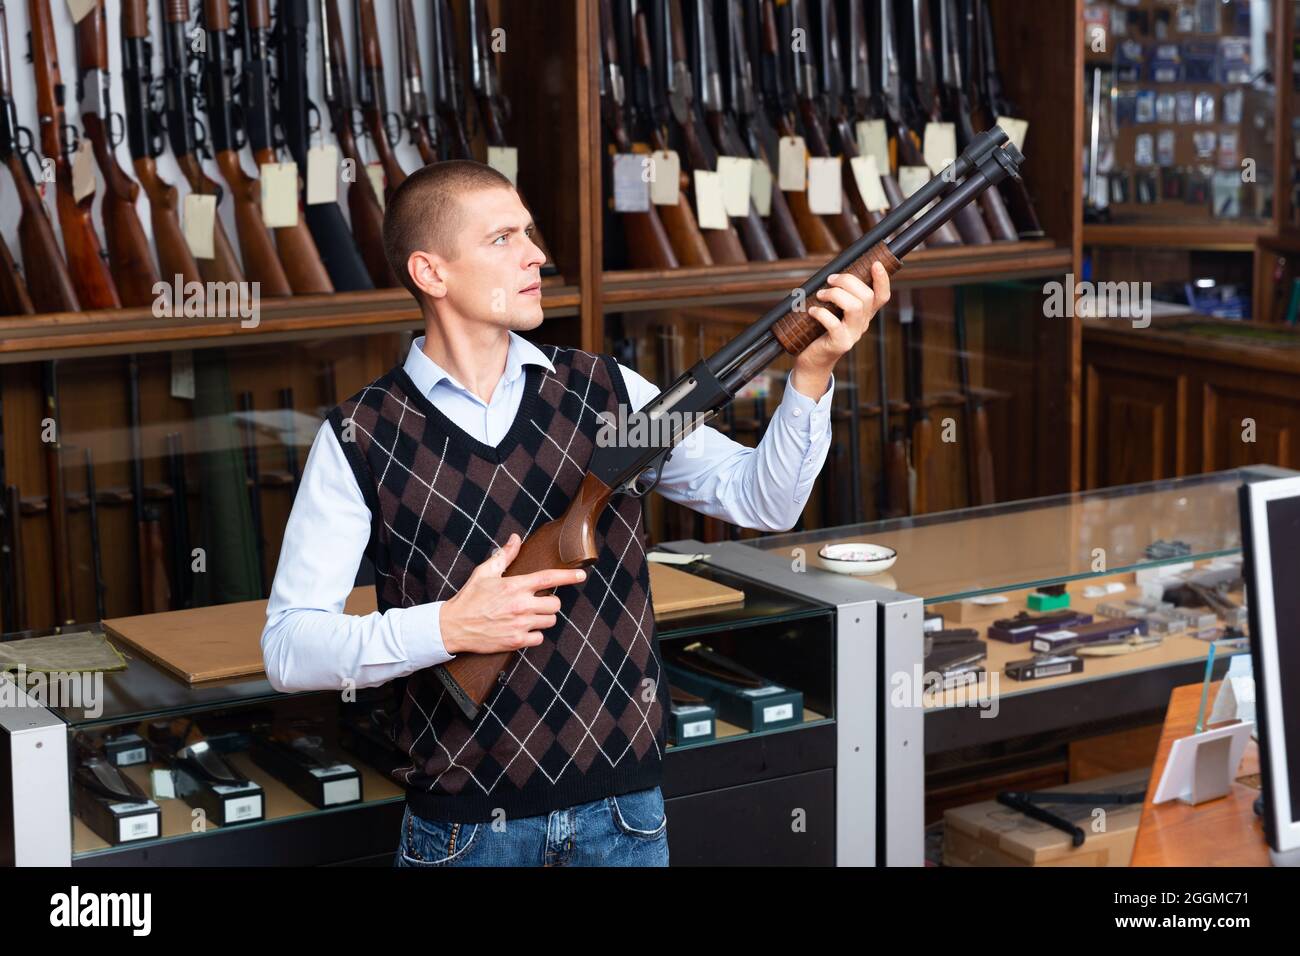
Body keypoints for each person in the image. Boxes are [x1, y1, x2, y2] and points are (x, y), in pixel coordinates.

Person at [261, 160, 890, 866]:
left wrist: (811, 376)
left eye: (529, 233)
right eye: (503, 239)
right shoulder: (361, 436)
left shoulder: (607, 391)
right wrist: (447, 627)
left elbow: (759, 499)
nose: (536, 254)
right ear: (431, 274)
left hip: (625, 814)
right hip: (464, 832)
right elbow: (289, 649)